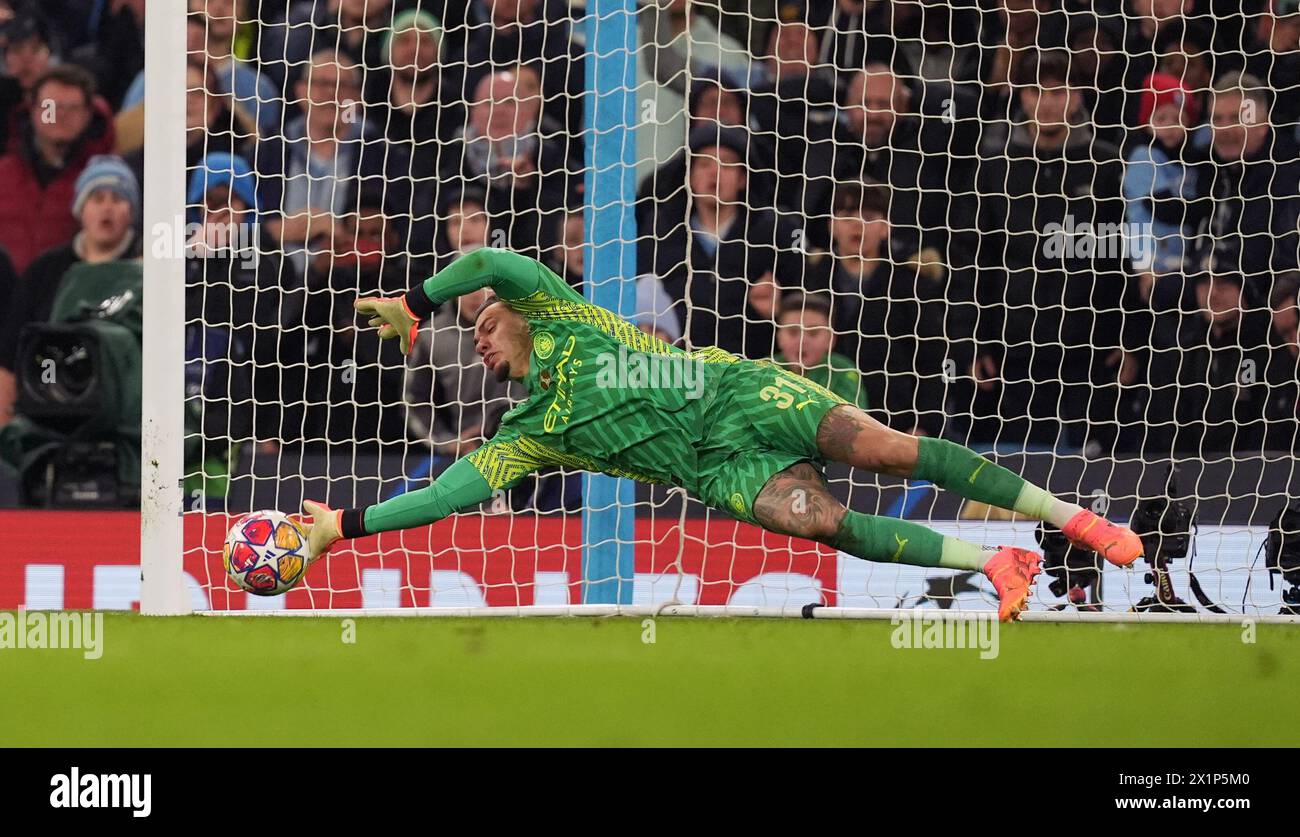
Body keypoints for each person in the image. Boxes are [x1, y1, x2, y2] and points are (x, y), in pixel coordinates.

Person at [299, 248, 1147, 623]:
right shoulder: (526, 436)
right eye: (471, 338)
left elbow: (486, 261)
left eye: (482, 327)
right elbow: (446, 495)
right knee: (824, 523)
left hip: (739, 393)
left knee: (886, 448)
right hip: (718, 470)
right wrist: (343, 528)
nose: (478, 342)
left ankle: (1071, 517)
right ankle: (996, 559)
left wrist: (415, 303)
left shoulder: (556, 308)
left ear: (518, 314)